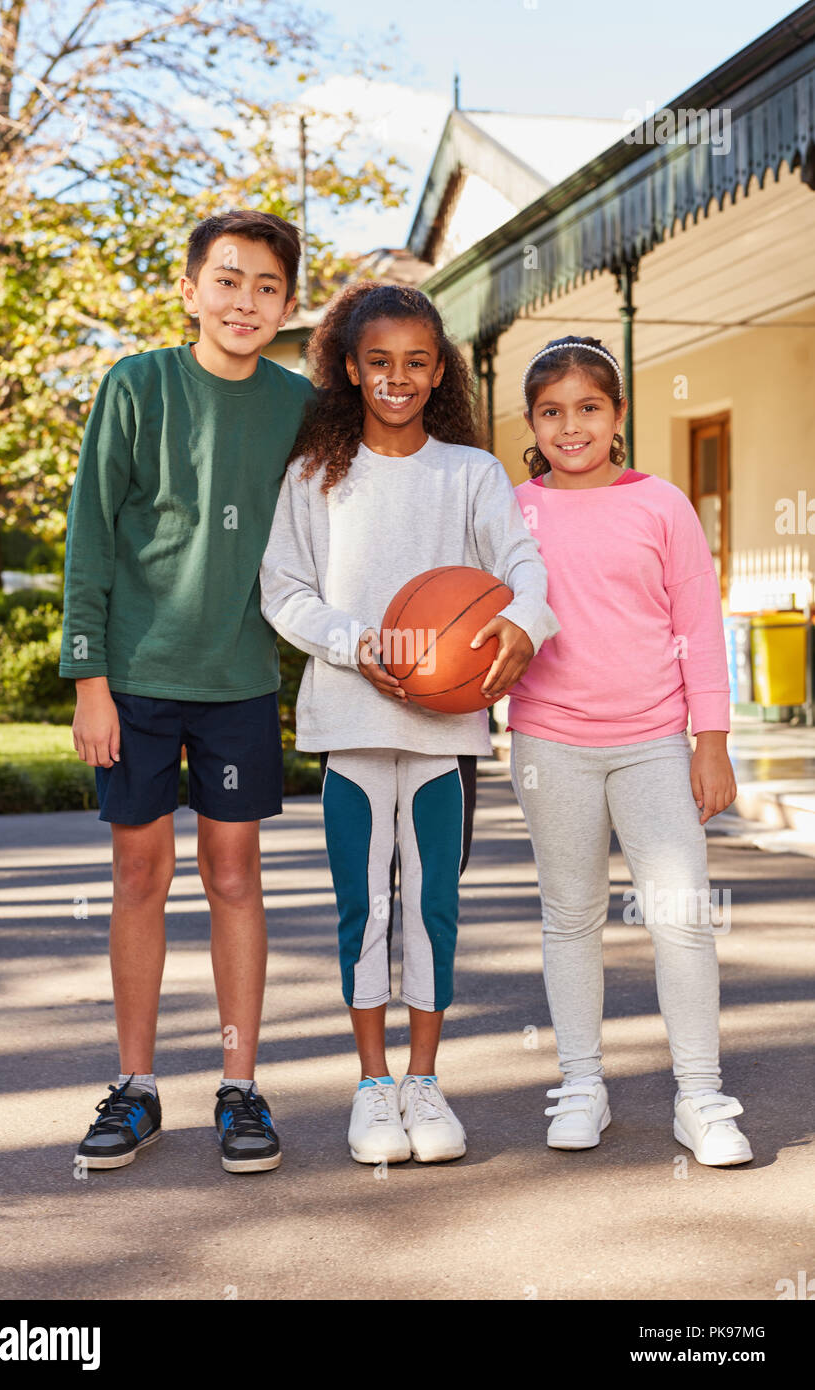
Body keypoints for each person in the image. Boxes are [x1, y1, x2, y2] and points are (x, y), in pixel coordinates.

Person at [259, 283, 559, 1165]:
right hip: (350, 721)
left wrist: (523, 623)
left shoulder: (470, 472)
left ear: (440, 373)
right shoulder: (315, 474)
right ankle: (370, 1085)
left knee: (432, 905)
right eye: (379, 361)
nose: (397, 377)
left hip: (444, 734)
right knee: (363, 910)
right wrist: (358, 643)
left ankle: (425, 1083)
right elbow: (284, 590)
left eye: (416, 363)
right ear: (349, 368)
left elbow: (523, 565)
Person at [60, 210, 315, 1174]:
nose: (243, 300)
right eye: (227, 279)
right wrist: (90, 678)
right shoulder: (137, 384)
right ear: (189, 289)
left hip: (239, 680)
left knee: (235, 878)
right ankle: (134, 1089)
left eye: (264, 287)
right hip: (133, 679)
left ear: (287, 305)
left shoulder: (298, 405)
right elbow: (91, 532)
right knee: (139, 878)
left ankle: (239, 1086)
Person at [508, 334, 752, 1166]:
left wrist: (709, 741)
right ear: (532, 422)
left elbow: (698, 630)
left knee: (681, 918)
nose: (569, 427)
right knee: (569, 916)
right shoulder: (513, 509)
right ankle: (582, 1085)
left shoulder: (663, 505)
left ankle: (701, 1097)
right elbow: (486, 625)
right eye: (551, 412)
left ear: (617, 416)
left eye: (588, 408)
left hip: (652, 741)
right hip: (550, 743)